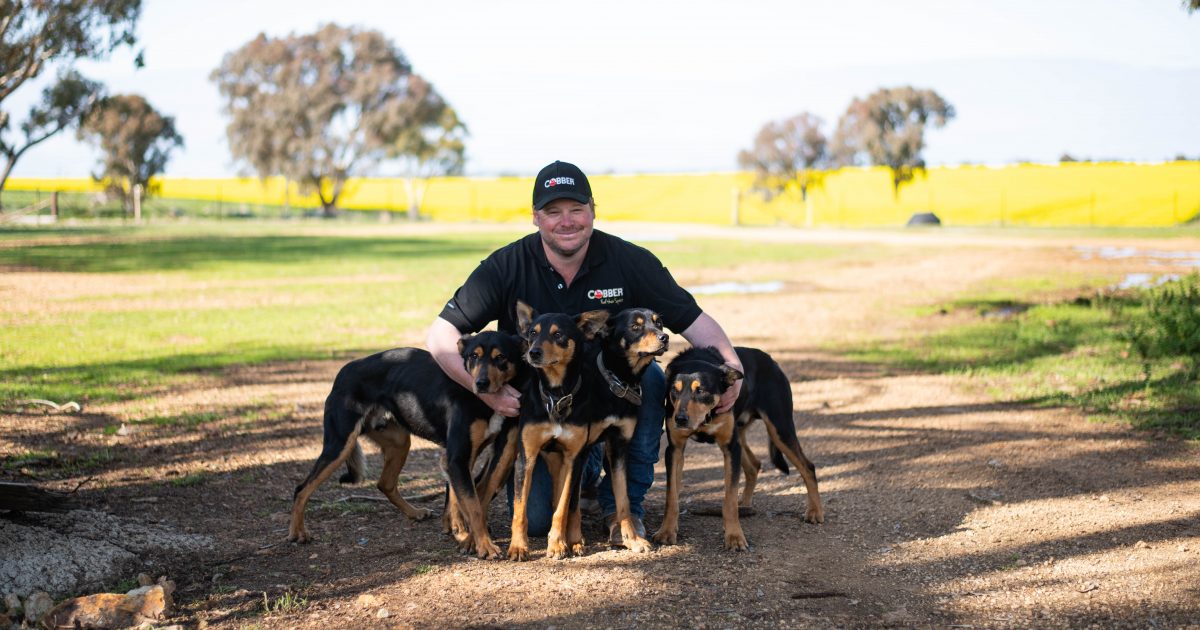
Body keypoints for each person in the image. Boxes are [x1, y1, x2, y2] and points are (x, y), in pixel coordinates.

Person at [426, 159, 743, 542]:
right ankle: (587, 465)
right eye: (553, 212)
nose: (567, 221)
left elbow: (694, 321)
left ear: (593, 210)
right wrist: (489, 393)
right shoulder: (506, 266)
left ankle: (624, 510)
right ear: (535, 218)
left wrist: (731, 364)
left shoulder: (629, 260)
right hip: (539, 402)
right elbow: (441, 336)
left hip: (611, 392)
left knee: (654, 377)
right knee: (541, 522)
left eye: (577, 210)